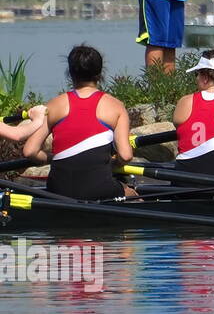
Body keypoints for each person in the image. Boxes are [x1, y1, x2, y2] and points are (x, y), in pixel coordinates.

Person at [22, 46, 136, 200]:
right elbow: (126, 155)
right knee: (131, 193)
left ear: (70, 73)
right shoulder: (115, 106)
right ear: (100, 72)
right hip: (100, 190)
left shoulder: (54, 105)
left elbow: (30, 151)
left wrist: (53, 157)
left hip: (58, 191)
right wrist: (113, 162)